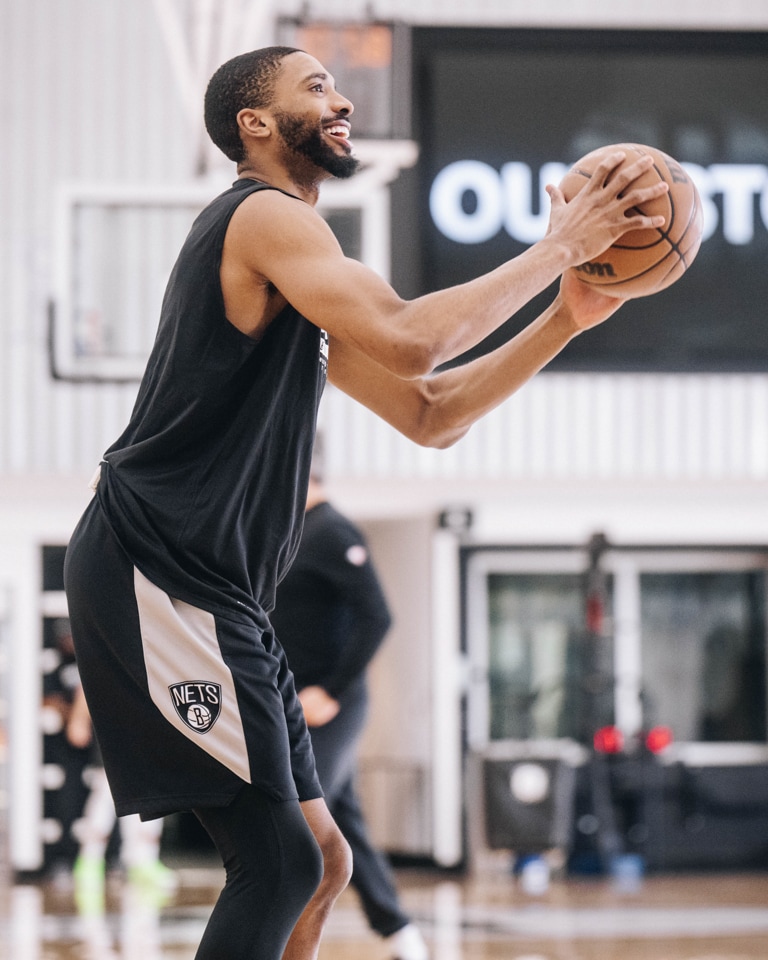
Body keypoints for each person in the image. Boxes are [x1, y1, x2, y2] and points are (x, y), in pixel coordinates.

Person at [63, 45, 669, 960]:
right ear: (253, 125)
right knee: (276, 860)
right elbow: (410, 340)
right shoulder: (261, 216)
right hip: (159, 566)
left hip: (217, 586)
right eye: (317, 87)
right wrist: (557, 249)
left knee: (321, 855)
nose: (343, 99)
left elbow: (429, 413)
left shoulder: (302, 264)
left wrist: (564, 317)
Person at [271, 464, 428, 960]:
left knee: (301, 821)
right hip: (300, 706)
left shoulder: (332, 531)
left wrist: (332, 690)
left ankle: (283, 941)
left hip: (330, 708)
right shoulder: (293, 536)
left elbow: (377, 615)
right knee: (342, 819)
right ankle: (401, 932)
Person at [66, 683, 177, 905]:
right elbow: (90, 677)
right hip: (114, 734)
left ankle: (143, 862)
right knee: (104, 800)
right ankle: (89, 861)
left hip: (146, 735)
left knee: (150, 802)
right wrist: (79, 717)